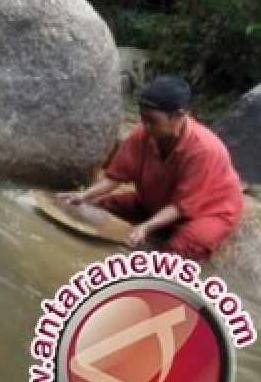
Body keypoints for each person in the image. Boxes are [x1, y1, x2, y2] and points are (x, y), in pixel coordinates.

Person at [59, 75, 243, 261]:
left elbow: (181, 207)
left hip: (208, 210)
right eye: (143, 118)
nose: (145, 126)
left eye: (152, 121)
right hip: (159, 201)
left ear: (178, 116)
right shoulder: (143, 134)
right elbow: (114, 178)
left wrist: (146, 226)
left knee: (172, 255)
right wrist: (83, 196)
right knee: (97, 208)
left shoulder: (202, 149)